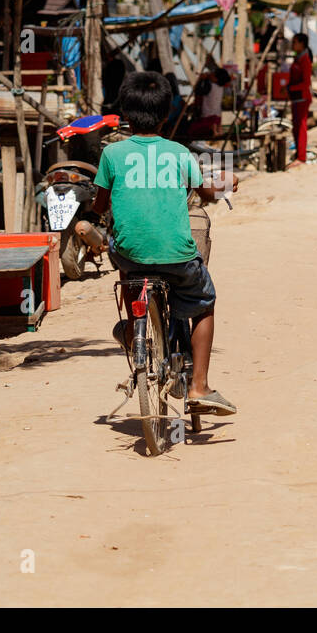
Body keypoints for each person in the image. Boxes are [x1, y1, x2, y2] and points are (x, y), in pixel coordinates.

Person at [93, 71, 238, 415]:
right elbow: (204, 192)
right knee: (204, 302)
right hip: (177, 256)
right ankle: (199, 387)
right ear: (168, 113)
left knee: (130, 273)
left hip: (130, 254)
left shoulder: (112, 155)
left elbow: (99, 206)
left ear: (125, 114)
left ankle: (133, 329)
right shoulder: (179, 152)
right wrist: (228, 183)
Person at [286, 32, 313, 167]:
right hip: (296, 99)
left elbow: (306, 83)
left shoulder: (305, 60)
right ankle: (299, 154)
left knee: (301, 128)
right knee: (296, 128)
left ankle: (301, 158)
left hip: (302, 98)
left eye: (295, 42)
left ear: (302, 44)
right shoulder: (298, 59)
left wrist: (291, 88)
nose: (293, 45)